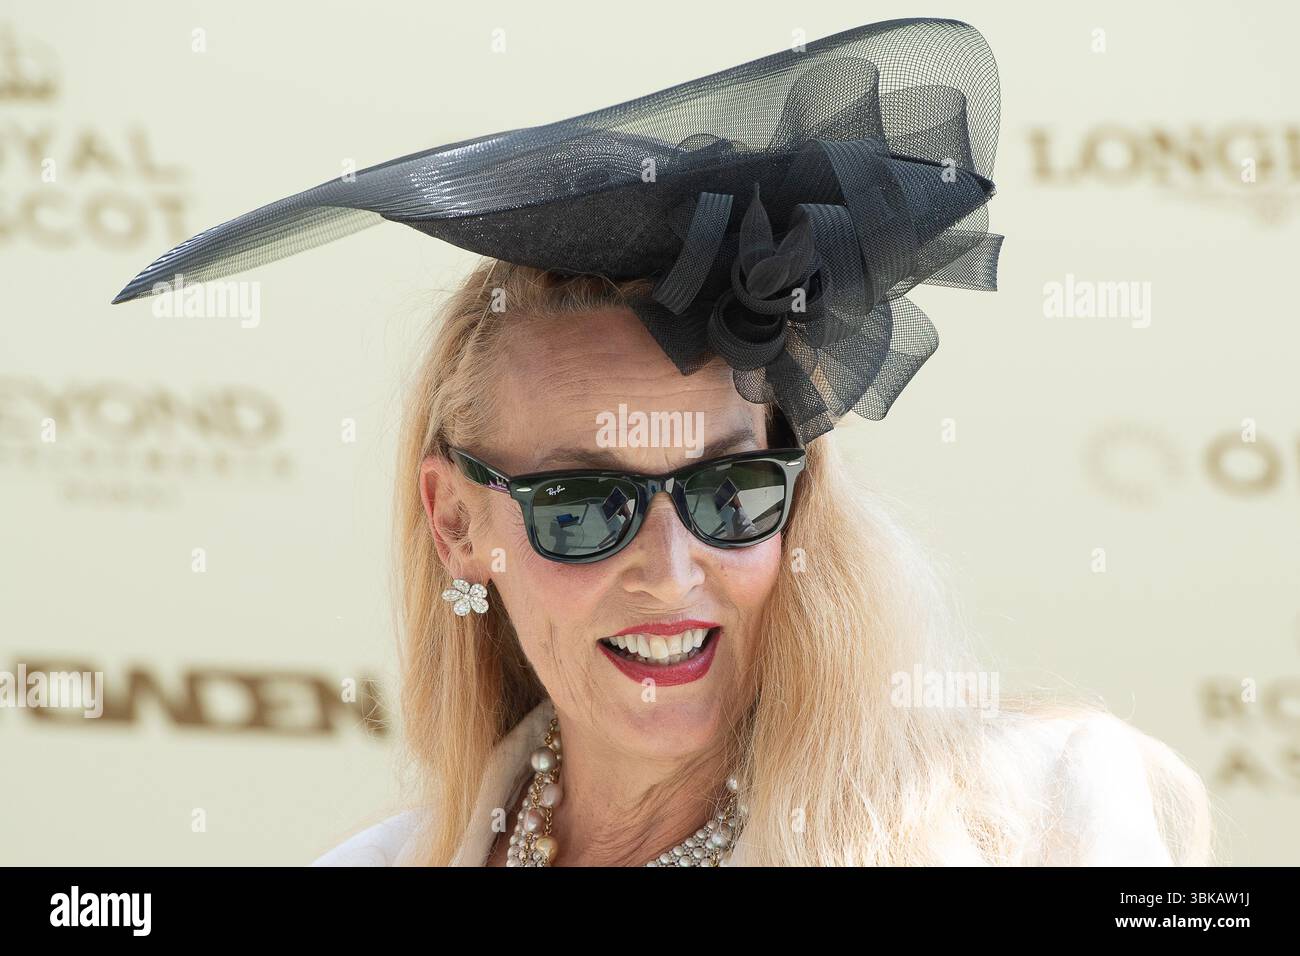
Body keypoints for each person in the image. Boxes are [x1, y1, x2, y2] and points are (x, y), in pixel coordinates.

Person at [111, 18, 1213, 866]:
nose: (672, 570)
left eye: (730, 490)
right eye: (581, 508)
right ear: (456, 522)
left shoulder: (1046, 813)